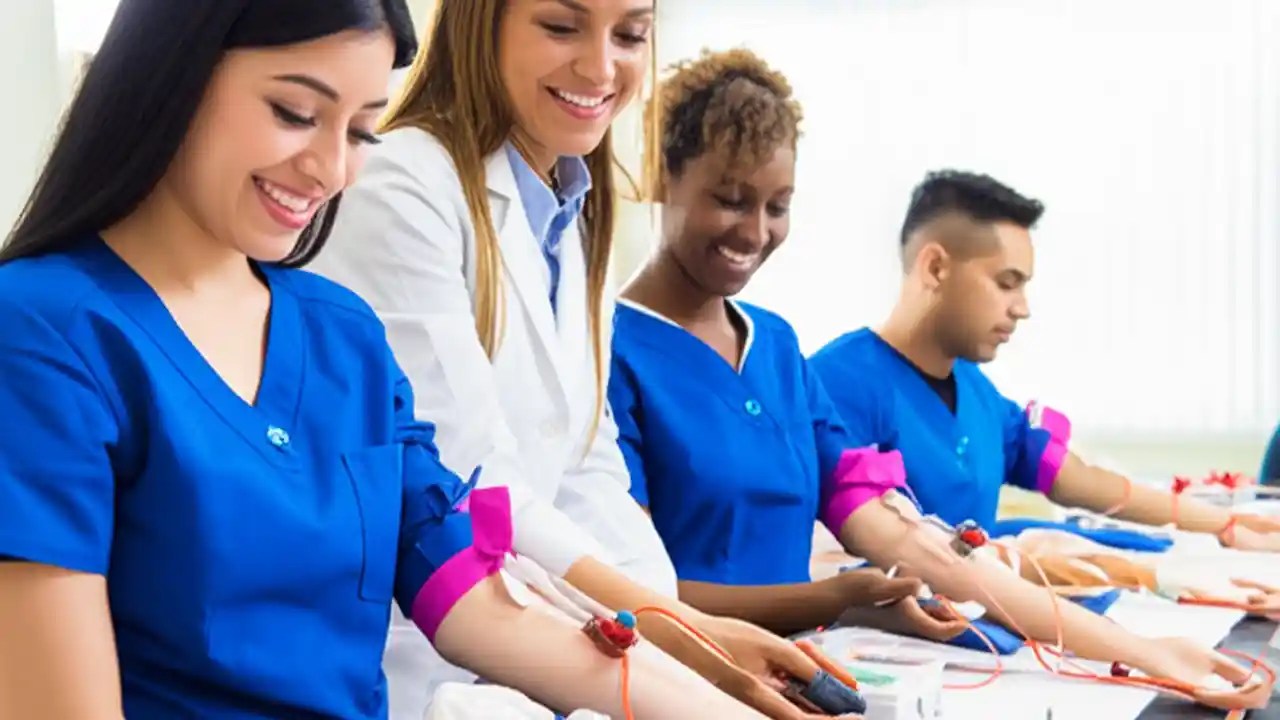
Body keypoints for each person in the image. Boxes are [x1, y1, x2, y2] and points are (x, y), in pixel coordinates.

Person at [0, 2, 784, 718]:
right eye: (295, 113)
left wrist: (712, 699)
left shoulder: (342, 335)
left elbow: (467, 586)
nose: (332, 169)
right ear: (171, 79)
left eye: (361, 130)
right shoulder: (43, 332)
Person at [609, 47, 1269, 711]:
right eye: (729, 200)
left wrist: (1142, 651)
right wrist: (833, 601)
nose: (755, 231)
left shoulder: (775, 345)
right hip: (682, 691)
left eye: (777, 206)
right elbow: (631, 593)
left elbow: (915, 542)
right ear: (660, 178)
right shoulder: (609, 353)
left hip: (810, 677)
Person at [309, 2, 838, 719]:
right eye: (561, 27)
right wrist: (682, 642)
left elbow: (589, 467)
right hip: (432, 665)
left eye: (629, 35)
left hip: (553, 656)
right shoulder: (404, 183)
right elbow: (473, 485)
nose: (599, 67)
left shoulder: (570, 205)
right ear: (480, 23)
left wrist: (687, 643)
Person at [806, 170, 1280, 552]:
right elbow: (833, 557)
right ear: (935, 268)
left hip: (985, 623)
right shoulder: (836, 387)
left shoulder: (977, 394)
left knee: (1130, 546)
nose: (1022, 307)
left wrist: (1228, 525)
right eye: (1007, 283)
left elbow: (1085, 483)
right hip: (900, 649)